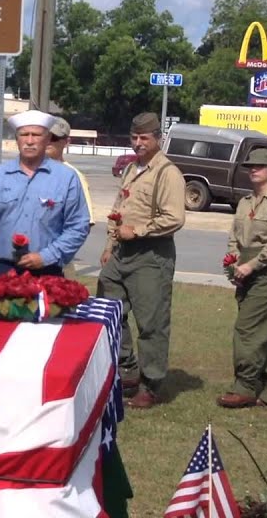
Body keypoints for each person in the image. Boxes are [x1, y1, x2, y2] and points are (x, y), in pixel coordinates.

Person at [97, 112, 186, 410]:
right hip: (122, 252)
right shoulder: (131, 168)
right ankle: (128, 367)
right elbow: (119, 207)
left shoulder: (167, 172)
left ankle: (151, 384)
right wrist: (110, 244)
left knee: (151, 323)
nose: (138, 143)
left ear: (158, 138)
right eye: (134, 137)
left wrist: (138, 230)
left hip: (151, 255)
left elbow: (175, 218)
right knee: (109, 310)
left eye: (144, 138)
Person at [219, 148, 267, 409]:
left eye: (260, 166)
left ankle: (245, 386)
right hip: (246, 271)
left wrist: (251, 266)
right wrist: (233, 263)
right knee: (266, 331)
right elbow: (234, 238)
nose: (253, 169)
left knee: (247, 329)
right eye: (250, 165)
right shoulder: (245, 202)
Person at [0, 110, 90, 277]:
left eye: (36, 135)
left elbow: (78, 226)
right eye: (24, 135)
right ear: (17, 139)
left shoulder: (66, 178)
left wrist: (46, 256)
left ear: (48, 139)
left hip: (48, 270)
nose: (29, 141)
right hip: (5, 270)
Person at [47, 117, 95, 279]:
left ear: (66, 142)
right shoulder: (28, 171)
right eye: (45, 136)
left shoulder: (74, 176)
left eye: (54, 138)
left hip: (58, 260)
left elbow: (84, 224)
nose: (48, 141)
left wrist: (58, 254)